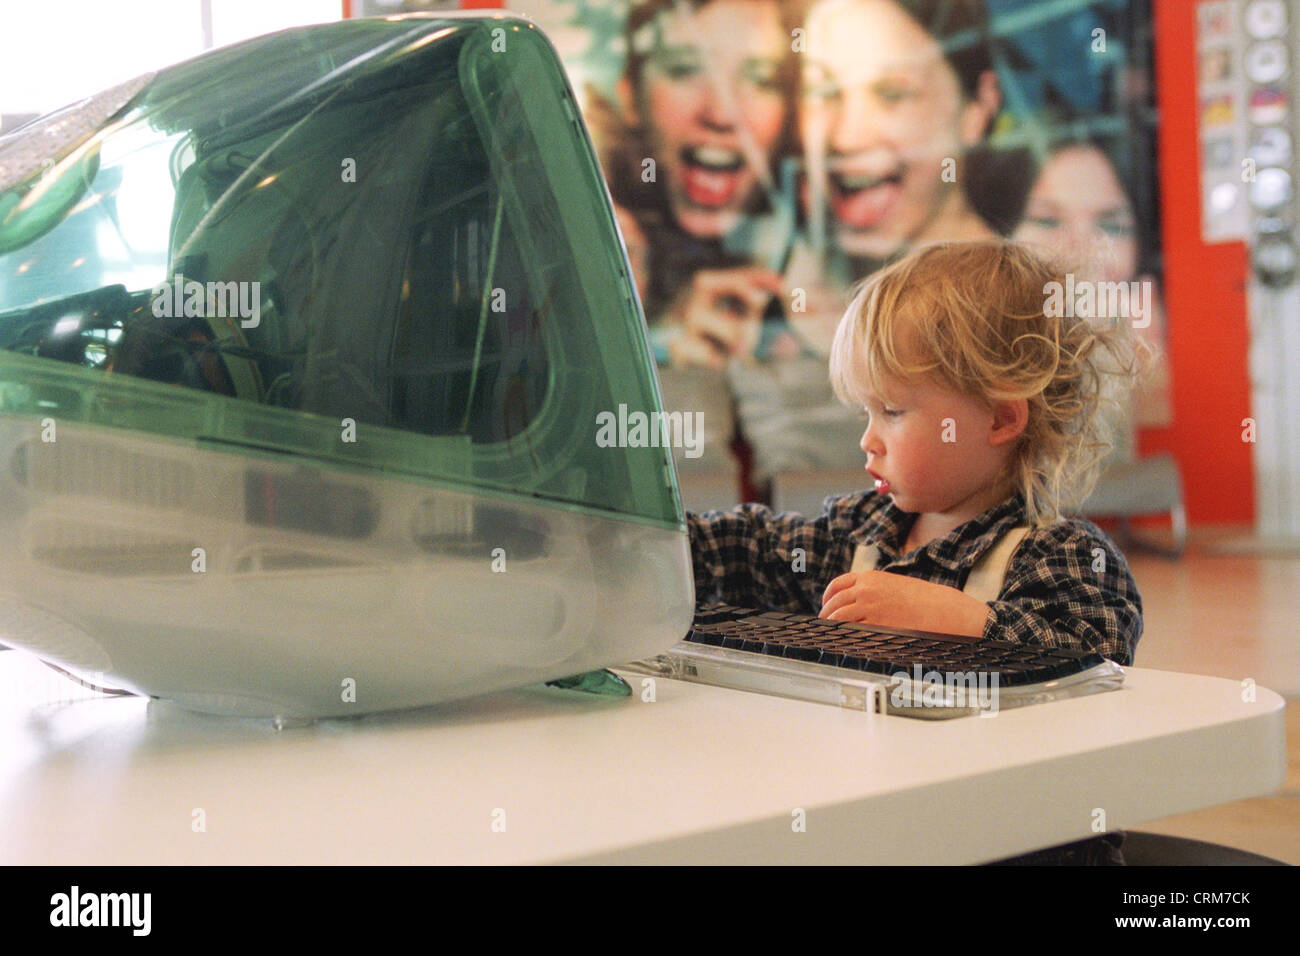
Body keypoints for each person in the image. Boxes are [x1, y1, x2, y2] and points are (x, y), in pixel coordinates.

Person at [689, 238, 1141, 663]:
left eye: (892, 411)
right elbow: (746, 549)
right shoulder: (856, 534)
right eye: (867, 412)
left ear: (1000, 419)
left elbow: (1098, 655)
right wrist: (658, 532)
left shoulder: (1058, 555)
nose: (868, 440)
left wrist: (962, 619)